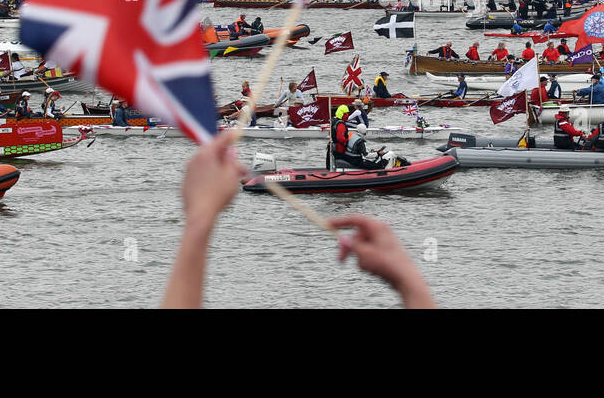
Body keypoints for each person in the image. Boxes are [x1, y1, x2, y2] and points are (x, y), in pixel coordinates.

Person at [161, 132, 435, 309]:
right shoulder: (348, 144)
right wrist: (409, 282)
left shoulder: (345, 141)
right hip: (356, 172)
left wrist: (200, 216)